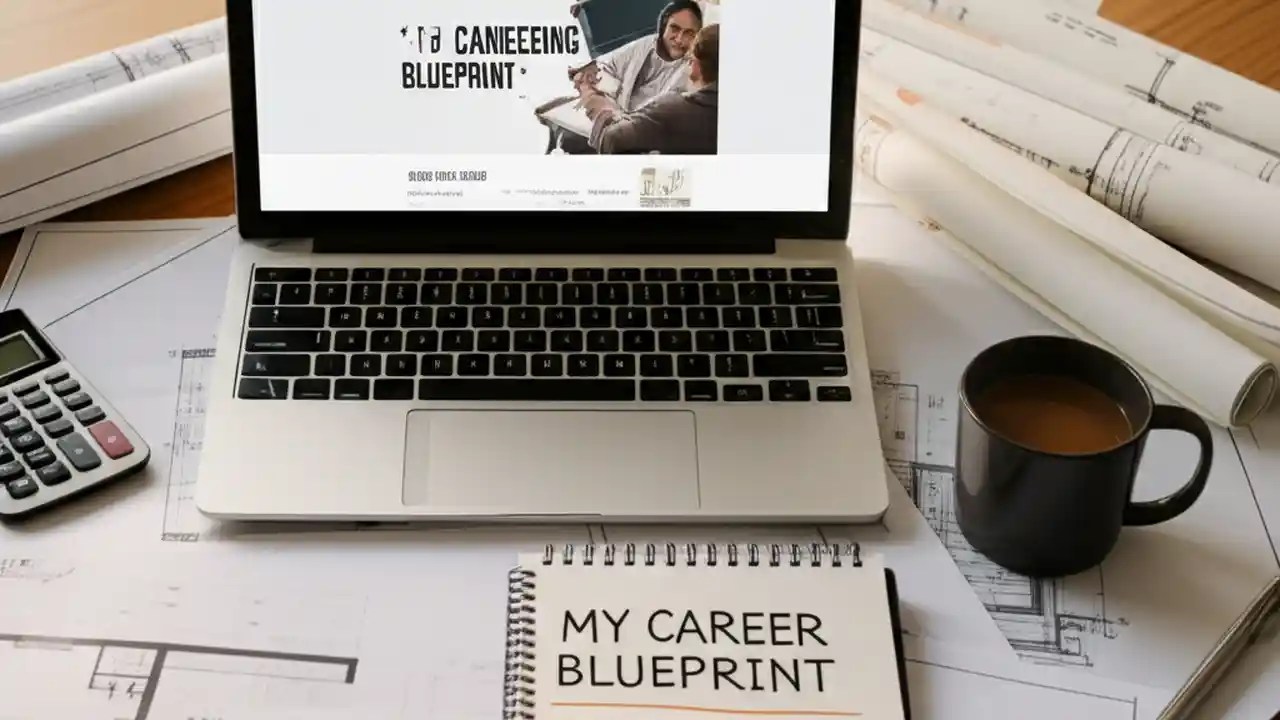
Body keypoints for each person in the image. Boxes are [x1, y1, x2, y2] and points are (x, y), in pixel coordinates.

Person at [552, 1, 703, 153]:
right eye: (674, 29)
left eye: (689, 34)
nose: (679, 39)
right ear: (664, 26)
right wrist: (596, 78)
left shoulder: (691, 71)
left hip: (641, 143)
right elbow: (608, 67)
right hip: (612, 122)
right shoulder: (646, 45)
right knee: (565, 139)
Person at [583, 23, 719, 155]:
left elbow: (613, 139)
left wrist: (603, 112)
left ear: (695, 65)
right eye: (674, 29)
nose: (679, 40)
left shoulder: (672, 110)